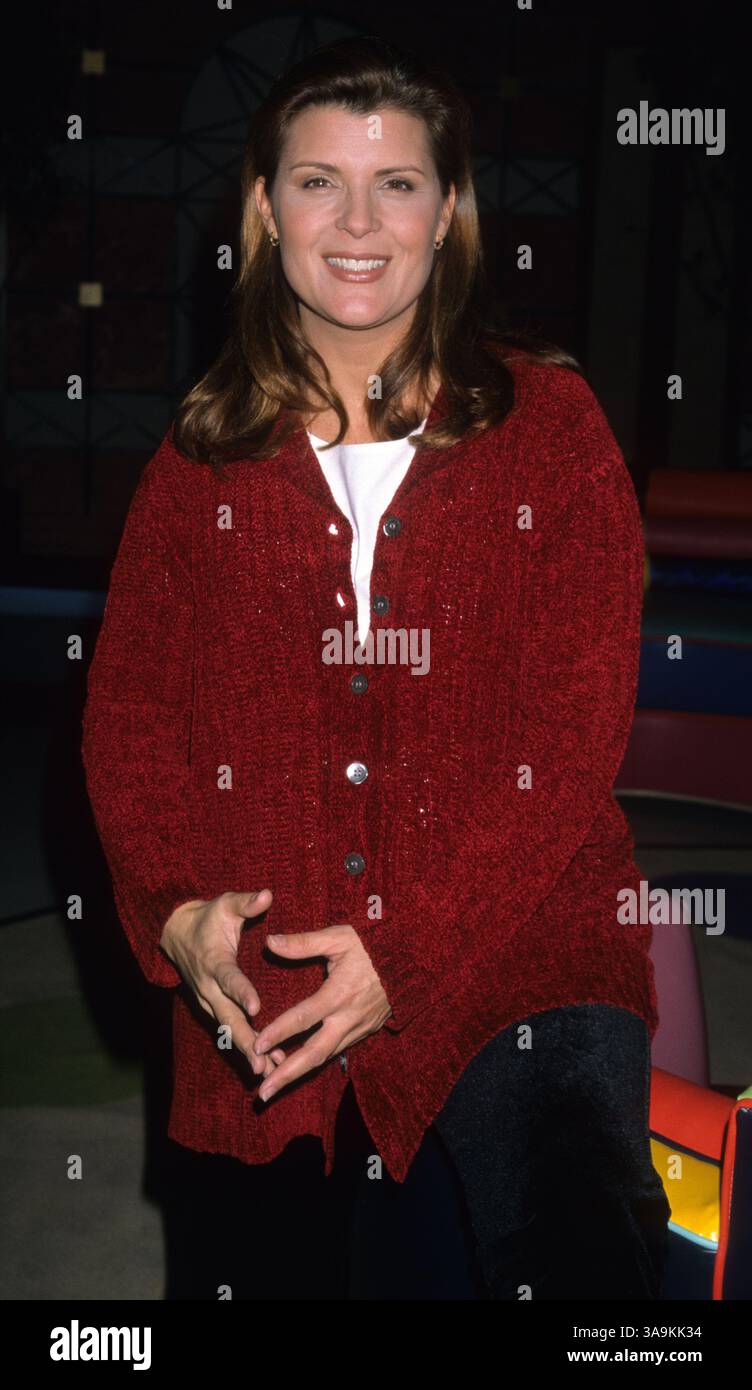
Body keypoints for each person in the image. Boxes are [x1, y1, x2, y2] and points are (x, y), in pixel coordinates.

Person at [81, 35, 671, 1300]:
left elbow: (574, 729)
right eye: (316, 181)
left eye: (396, 183)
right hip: (269, 975)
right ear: (261, 206)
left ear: (448, 213)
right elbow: (129, 719)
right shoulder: (195, 468)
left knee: (585, 1271)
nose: (357, 221)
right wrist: (178, 911)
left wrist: (406, 946)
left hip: (520, 943)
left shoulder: (550, 431)